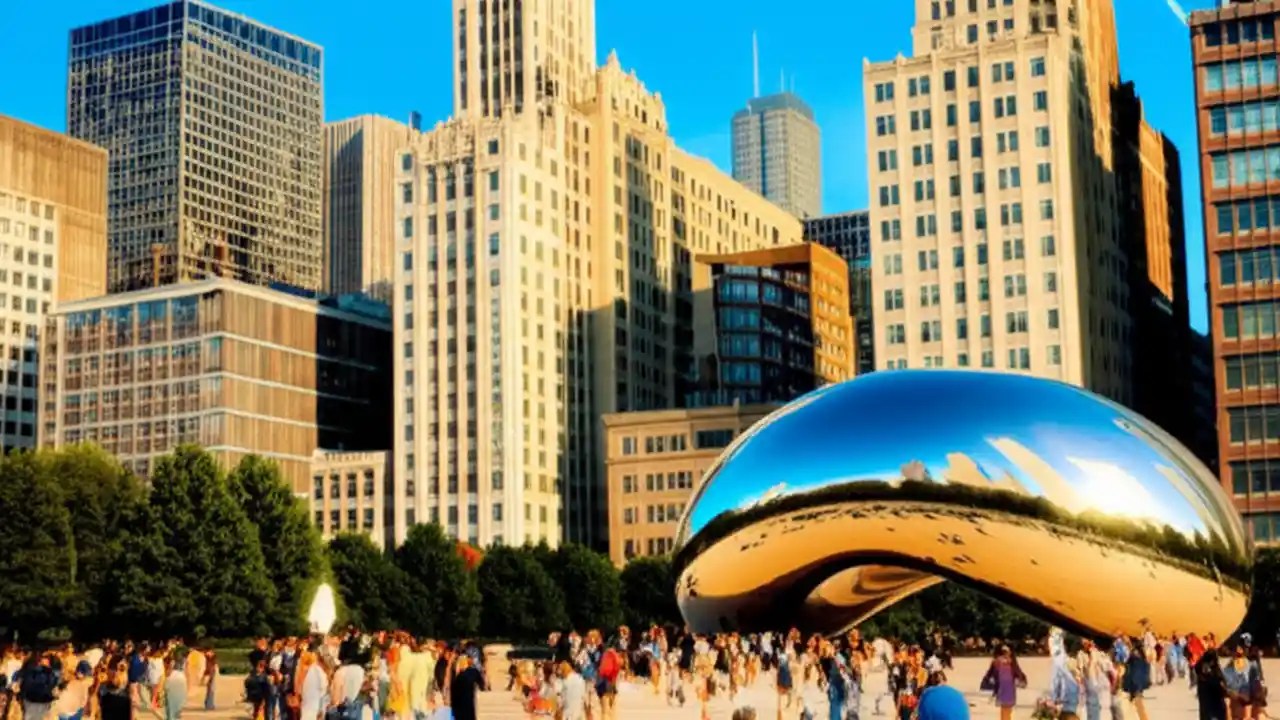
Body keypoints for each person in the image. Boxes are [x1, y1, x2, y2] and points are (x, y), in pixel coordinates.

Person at [980, 645, 1026, 720]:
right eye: (1005, 652)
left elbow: (1018, 672)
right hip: (1004, 688)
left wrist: (1022, 680)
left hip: (1008, 687)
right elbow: (1018, 672)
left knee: (1006, 708)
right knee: (1006, 708)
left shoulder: (1009, 662)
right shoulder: (1000, 662)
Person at [1194, 650, 1228, 720]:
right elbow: (1218, 683)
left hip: (1207, 703)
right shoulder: (1209, 669)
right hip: (1214, 702)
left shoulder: (1202, 668)